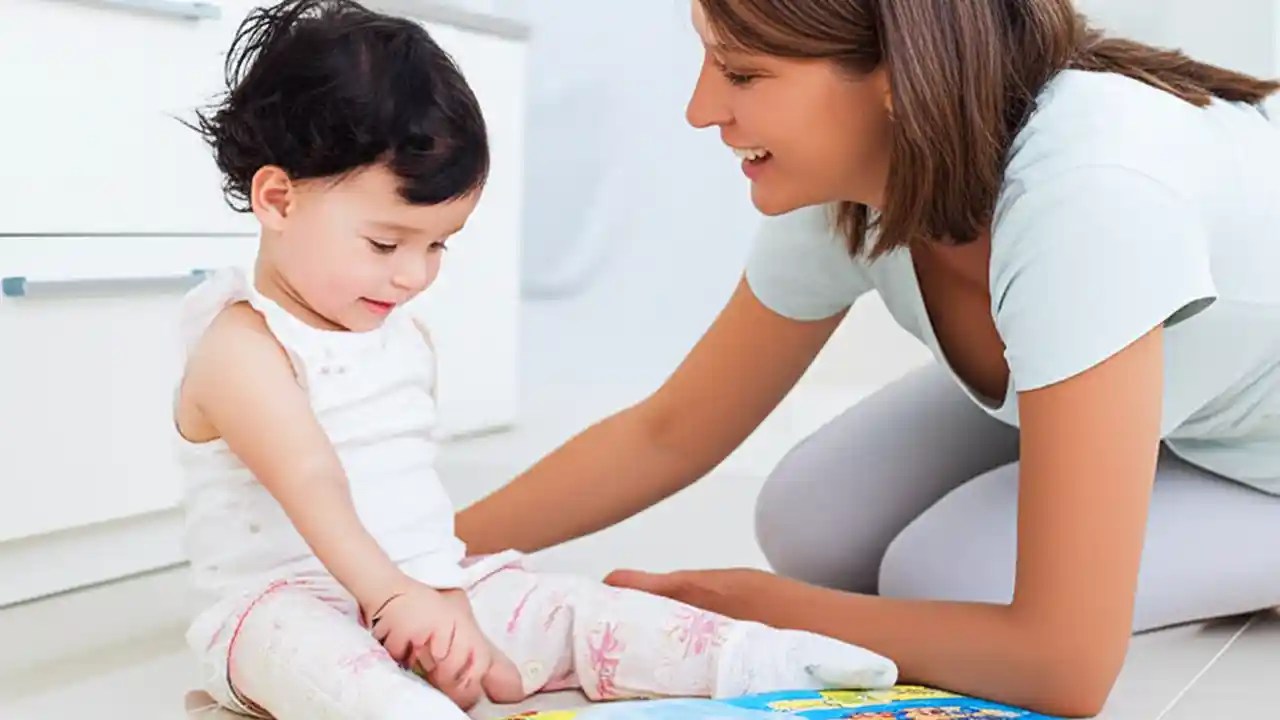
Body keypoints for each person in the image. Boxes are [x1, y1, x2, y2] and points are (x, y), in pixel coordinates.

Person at [455, 0, 1280, 717]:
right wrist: (409, 559)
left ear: (892, 73)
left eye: (742, 74)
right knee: (812, 518)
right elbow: (669, 430)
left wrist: (756, 608)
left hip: (1260, 452)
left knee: (948, 574)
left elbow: (1064, 665)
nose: (701, 109)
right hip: (1184, 384)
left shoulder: (1091, 193)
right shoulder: (856, 187)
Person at [173, 1, 898, 718]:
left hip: (425, 587)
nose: (414, 276)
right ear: (277, 199)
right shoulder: (241, 345)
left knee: (576, 608)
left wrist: (441, 596)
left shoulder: (396, 333)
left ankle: (757, 660)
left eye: (437, 246)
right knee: (317, 660)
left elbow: (410, 503)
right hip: (286, 605)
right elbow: (313, 478)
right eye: (386, 244)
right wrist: (395, 597)